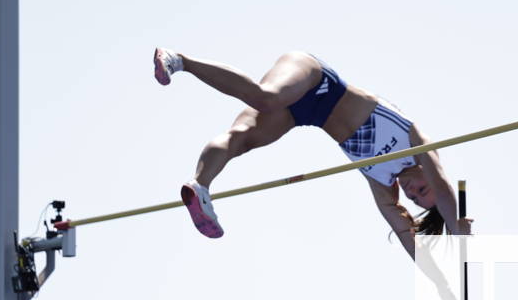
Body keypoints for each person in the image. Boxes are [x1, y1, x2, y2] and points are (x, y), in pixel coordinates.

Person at [153, 48, 472, 258]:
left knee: (241, 138)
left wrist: (445, 285)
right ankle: (180, 60)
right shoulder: (418, 142)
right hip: (317, 81)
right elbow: (443, 190)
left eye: (414, 198)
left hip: (303, 115)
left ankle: (199, 186)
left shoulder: (381, 181)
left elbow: (405, 236)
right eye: (422, 188)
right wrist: (456, 228)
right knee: (265, 98)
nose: (412, 191)